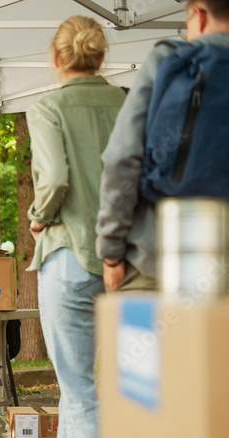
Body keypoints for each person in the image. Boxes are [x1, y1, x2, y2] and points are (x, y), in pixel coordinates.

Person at [27, 16, 125, 438]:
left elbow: (56, 178)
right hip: (124, 260)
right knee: (82, 383)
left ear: (58, 59)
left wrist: (39, 216)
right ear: (100, 58)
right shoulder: (127, 103)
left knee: (82, 388)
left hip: (68, 255)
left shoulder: (47, 106)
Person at [97, 0, 229, 291]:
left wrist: (111, 251)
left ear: (199, 14)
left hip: (158, 261)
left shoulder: (169, 59)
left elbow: (122, 156)